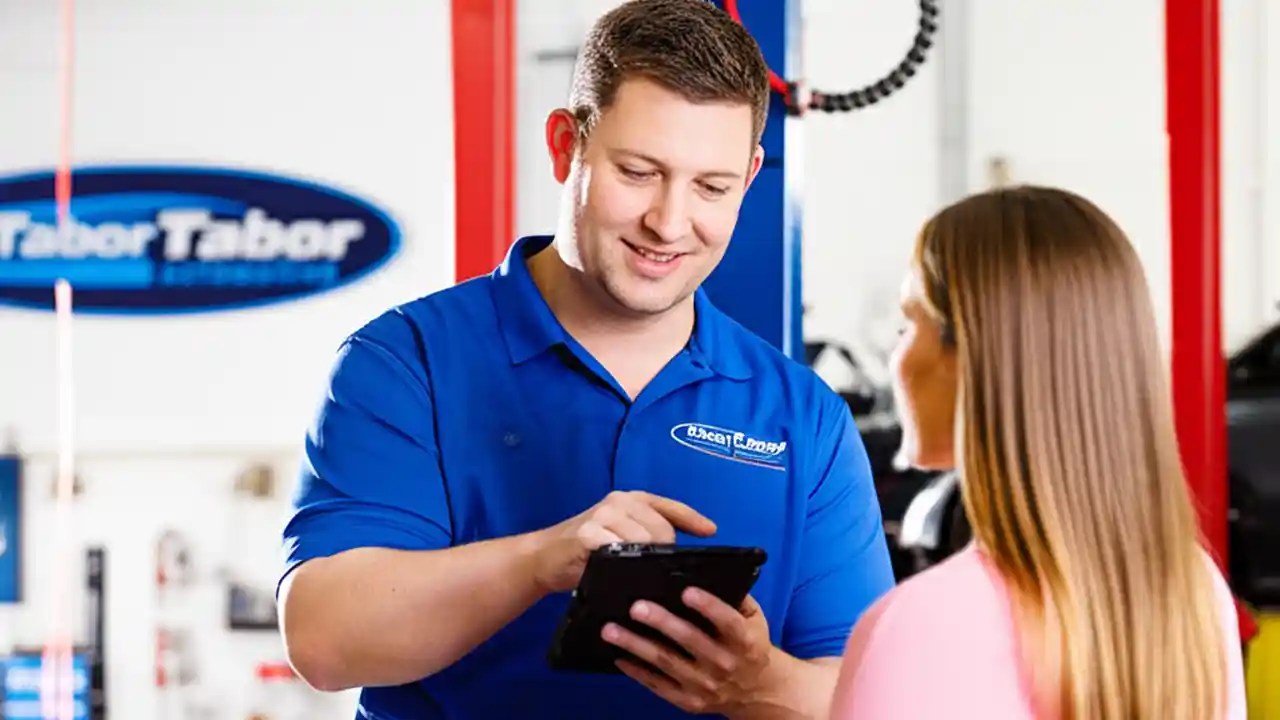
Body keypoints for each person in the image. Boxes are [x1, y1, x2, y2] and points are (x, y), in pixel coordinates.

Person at [275, 1, 895, 717]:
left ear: (752, 177)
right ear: (567, 145)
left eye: (712, 188)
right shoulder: (407, 363)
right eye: (638, 172)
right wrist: (541, 561)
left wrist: (757, 686)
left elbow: (865, 696)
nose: (669, 221)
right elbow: (323, 640)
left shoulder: (800, 416)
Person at [828, 186, 1248, 719]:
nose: (898, 354)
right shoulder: (1195, 593)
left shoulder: (925, 621)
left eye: (911, 324)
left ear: (976, 361)